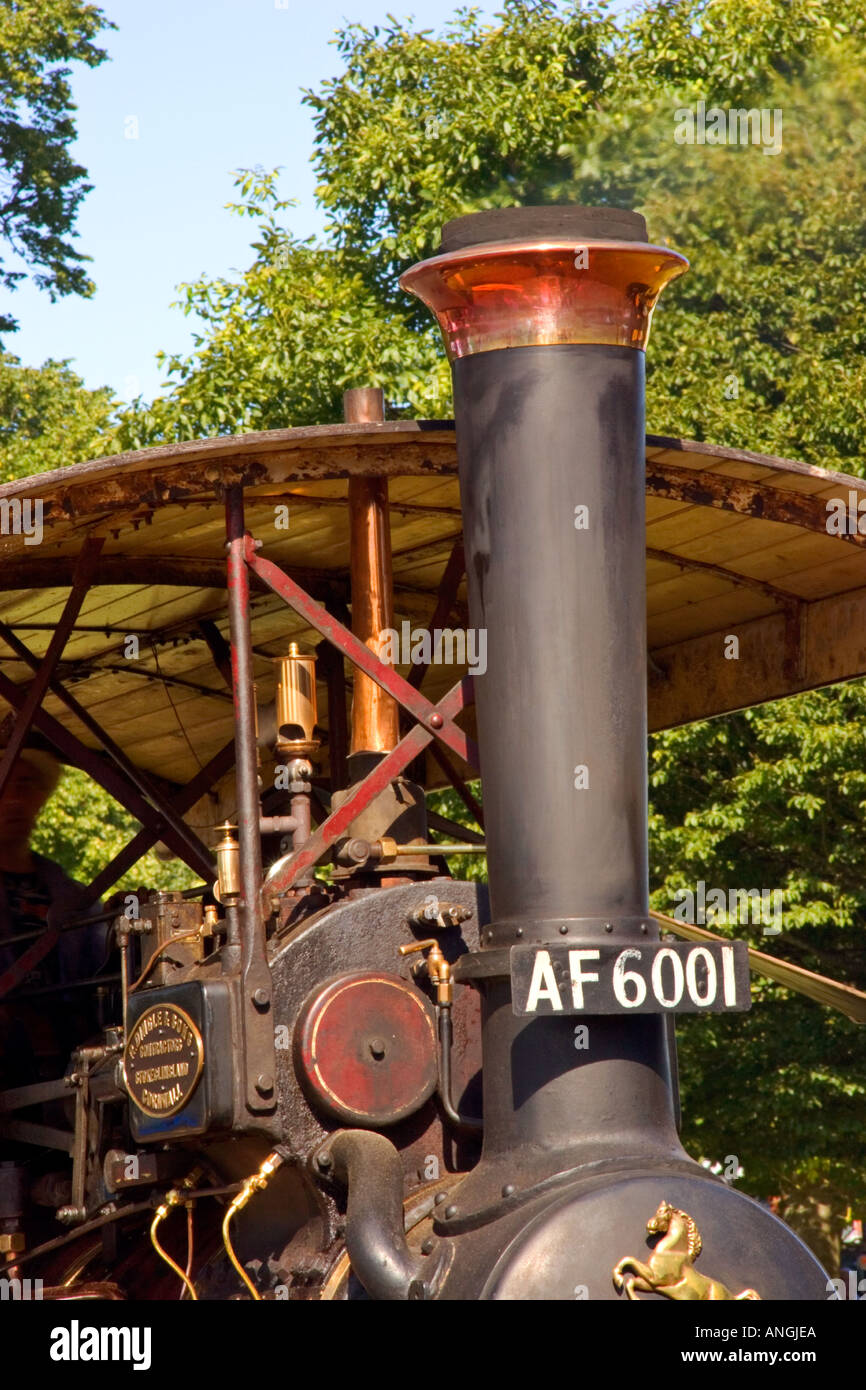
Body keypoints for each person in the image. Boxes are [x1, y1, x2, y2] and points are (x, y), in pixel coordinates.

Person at [0, 744, 104, 1092]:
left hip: (69, 1066)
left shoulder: (73, 896)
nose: (14, 798)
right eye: (4, 784)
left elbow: (103, 966)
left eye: (26, 783)